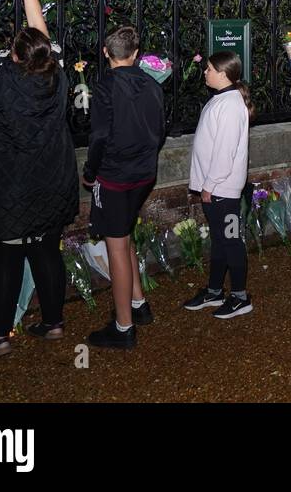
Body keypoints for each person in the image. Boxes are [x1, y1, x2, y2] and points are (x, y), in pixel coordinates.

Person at [0, 0, 77, 357]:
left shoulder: (1, 75)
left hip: (10, 187)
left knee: (7, 259)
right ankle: (53, 323)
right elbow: (41, 36)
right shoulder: (57, 73)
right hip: (50, 181)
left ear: (14, 55)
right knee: (47, 250)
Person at [83, 26, 166, 348]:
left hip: (116, 176)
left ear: (106, 52)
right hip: (144, 173)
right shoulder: (151, 83)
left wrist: (91, 172)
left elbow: (100, 135)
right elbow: (160, 129)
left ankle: (123, 327)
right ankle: (137, 303)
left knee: (115, 246)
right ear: (136, 54)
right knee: (125, 235)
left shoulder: (104, 87)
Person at [183, 51, 254, 317]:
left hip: (223, 191)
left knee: (232, 240)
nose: (205, 72)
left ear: (223, 74)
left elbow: (225, 153)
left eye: (209, 69)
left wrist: (209, 185)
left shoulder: (231, 105)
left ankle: (240, 296)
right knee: (220, 240)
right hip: (217, 189)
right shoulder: (223, 99)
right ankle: (214, 291)